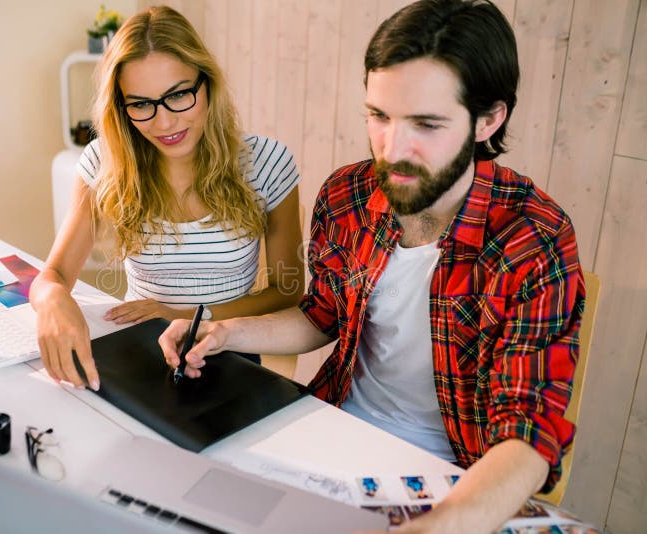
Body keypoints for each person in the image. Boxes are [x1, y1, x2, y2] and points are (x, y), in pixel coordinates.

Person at [158, 1, 586, 531]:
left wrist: (439, 525)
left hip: (457, 474)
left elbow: (526, 434)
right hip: (333, 433)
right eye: (379, 116)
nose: (392, 148)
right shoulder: (348, 193)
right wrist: (225, 333)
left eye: (426, 124)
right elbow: (321, 317)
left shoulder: (534, 239)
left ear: (489, 119)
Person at [30, 5, 304, 392]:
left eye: (179, 95)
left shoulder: (267, 163)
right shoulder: (104, 162)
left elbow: (289, 291)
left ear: (207, 83)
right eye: (141, 103)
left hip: (228, 348)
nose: (164, 122)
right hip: (139, 344)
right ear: (122, 108)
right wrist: (53, 299)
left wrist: (185, 314)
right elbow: (51, 277)